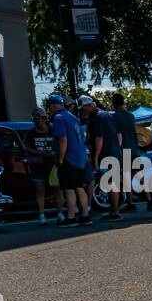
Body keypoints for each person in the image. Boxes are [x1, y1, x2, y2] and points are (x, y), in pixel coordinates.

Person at [47, 94, 91, 227]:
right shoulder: (73, 117)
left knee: (68, 188)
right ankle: (85, 216)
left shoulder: (59, 118)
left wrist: (60, 158)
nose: (50, 109)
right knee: (79, 187)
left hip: (69, 157)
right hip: (80, 157)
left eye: (50, 106)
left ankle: (71, 218)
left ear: (54, 105)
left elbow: (63, 139)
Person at [81, 95, 124, 220]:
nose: (83, 111)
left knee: (109, 182)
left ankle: (115, 211)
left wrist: (96, 158)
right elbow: (119, 135)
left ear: (88, 106)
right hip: (115, 152)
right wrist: (116, 148)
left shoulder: (96, 118)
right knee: (112, 182)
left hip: (105, 154)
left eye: (83, 108)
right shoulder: (108, 114)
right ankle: (114, 210)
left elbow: (99, 138)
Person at [111, 93, 150, 212]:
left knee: (127, 176)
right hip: (134, 148)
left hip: (124, 149)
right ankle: (149, 199)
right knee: (139, 175)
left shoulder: (114, 117)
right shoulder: (130, 115)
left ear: (113, 103)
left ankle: (131, 202)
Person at [28, 109, 57, 223]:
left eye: (38, 118)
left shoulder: (53, 130)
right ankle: (41, 215)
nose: (36, 120)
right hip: (38, 164)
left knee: (57, 188)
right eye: (34, 118)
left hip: (52, 163)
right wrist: (39, 153)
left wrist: (55, 152)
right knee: (40, 190)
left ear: (45, 119)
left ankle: (60, 213)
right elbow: (27, 147)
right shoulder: (31, 133)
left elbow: (61, 142)